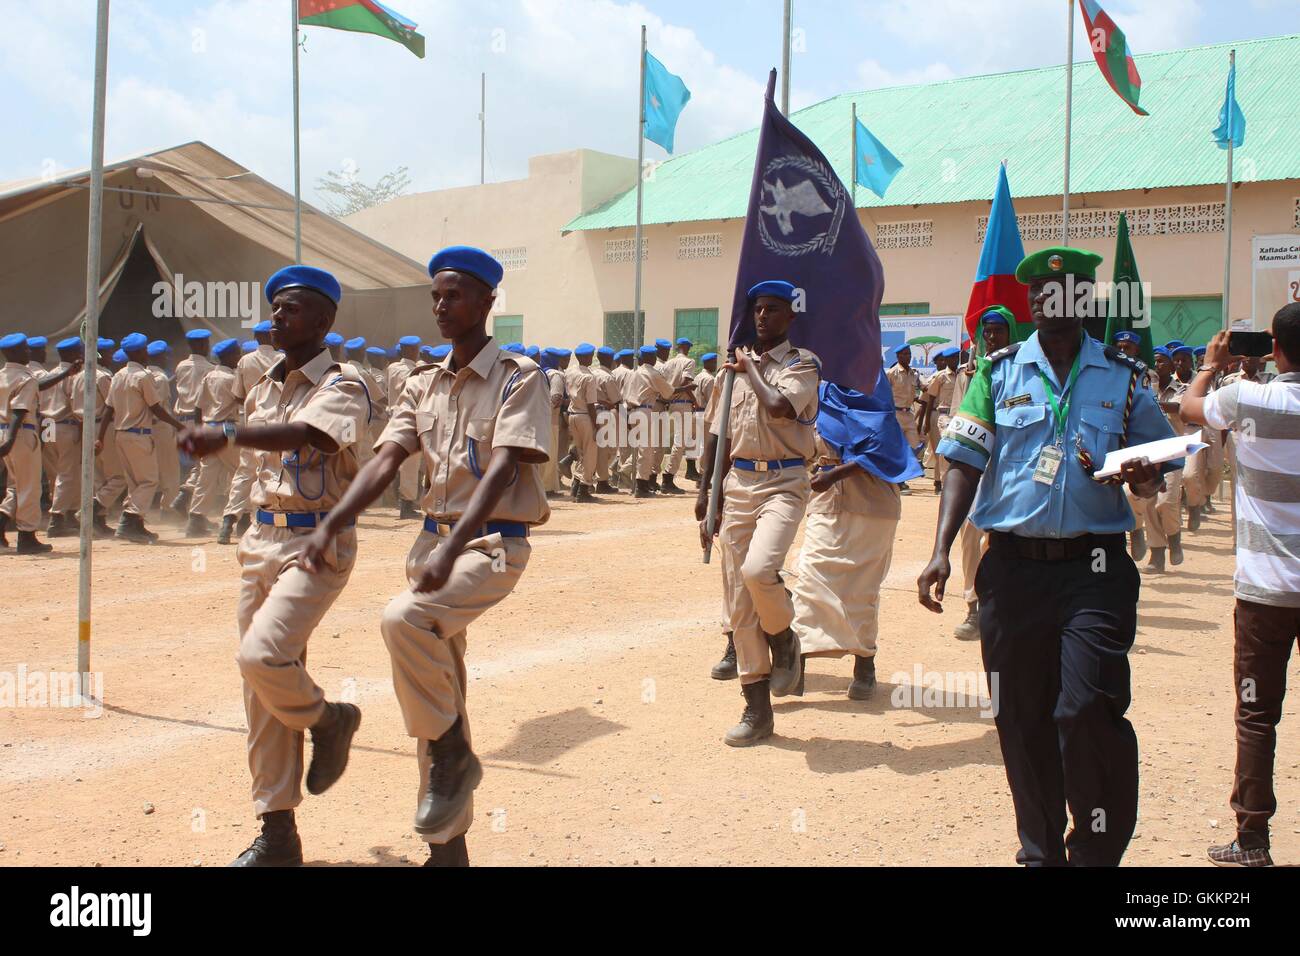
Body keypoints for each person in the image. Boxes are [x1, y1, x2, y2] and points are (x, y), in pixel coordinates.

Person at [918, 246, 1180, 867]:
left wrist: (1143, 477)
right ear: (1031, 305)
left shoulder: (1121, 377)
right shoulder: (997, 373)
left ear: (1084, 301)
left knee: (1087, 706)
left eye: (1065, 294)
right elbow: (962, 462)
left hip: (1094, 570)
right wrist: (939, 550)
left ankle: (1094, 849)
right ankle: (1040, 852)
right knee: (1020, 715)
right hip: (1011, 572)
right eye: (1040, 296)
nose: (1051, 306)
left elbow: (1155, 469)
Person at [303, 246, 551, 867]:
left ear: (488, 302)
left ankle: (452, 758)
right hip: (430, 544)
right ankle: (449, 848)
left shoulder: (520, 376)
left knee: (402, 620)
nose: (441, 307)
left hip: (492, 544)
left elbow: (502, 469)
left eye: (455, 296)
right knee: (438, 690)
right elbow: (387, 458)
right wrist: (335, 518)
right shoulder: (421, 382)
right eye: (435, 297)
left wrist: (453, 548)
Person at [179, 266, 367, 867]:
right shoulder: (263, 385)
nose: (275, 319)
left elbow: (310, 435)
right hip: (262, 541)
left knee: (262, 656)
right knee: (259, 688)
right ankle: (277, 834)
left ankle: (329, 719)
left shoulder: (344, 382)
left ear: (323, 320)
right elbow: (255, 464)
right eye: (273, 309)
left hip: (315, 543)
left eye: (289, 310)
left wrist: (228, 432)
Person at [1180, 310, 1300, 867]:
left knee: (1256, 716)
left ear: (1275, 348)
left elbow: (1187, 408)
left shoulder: (1247, 398)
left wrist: (1211, 365)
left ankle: (1252, 841)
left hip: (1264, 594)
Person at [696, 281, 820, 747]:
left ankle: (785, 635)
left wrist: (749, 369)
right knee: (739, 601)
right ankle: (756, 709)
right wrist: (706, 493)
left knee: (759, 569)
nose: (763, 317)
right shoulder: (731, 372)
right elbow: (717, 434)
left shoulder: (801, 363)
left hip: (784, 482)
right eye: (758, 310)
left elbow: (780, 406)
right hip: (738, 483)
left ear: (790, 316)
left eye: (773, 310)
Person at [789, 375, 921, 698]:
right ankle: (796, 666)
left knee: (863, 589)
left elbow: (883, 448)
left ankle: (865, 663)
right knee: (809, 577)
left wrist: (835, 474)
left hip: (872, 501)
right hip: (825, 499)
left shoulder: (874, 391)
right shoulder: (819, 392)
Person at [949, 307, 1018, 640]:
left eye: (998, 331)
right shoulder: (968, 374)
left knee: (1008, 537)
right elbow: (959, 422)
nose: (991, 337)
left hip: (1012, 471)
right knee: (970, 536)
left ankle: (1009, 604)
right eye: (986, 331)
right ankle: (973, 606)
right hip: (977, 466)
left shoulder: (1022, 372)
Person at [95, 333, 185, 543]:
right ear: (137, 352)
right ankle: (128, 521)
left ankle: (136, 524)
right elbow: (157, 409)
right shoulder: (143, 376)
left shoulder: (118, 375)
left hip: (120, 434)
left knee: (135, 482)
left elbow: (109, 408)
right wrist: (179, 426)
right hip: (139, 435)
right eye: (144, 350)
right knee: (148, 481)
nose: (147, 353)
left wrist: (100, 437)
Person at [221, 320, 280, 544]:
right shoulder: (282, 359)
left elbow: (237, 395)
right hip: (275, 424)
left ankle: (228, 521)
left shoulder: (245, 360)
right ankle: (265, 524)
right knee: (273, 471)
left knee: (245, 472)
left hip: (250, 422)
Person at [1, 333, 61, 553]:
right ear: (15, 352)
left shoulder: (3, 375)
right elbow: (19, 410)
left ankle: (1, 528)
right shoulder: (25, 378)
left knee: (15, 485)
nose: (29, 352)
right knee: (29, 487)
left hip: (4, 432)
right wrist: (10, 439)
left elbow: (39, 386)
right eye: (26, 349)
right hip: (20, 433)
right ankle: (27, 537)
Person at [1138, 347, 1188, 573]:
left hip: (1174, 453)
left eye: (1162, 361)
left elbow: (1179, 407)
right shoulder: (1142, 387)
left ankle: (1174, 537)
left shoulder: (1181, 388)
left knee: (1166, 502)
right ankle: (1157, 554)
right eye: (1155, 362)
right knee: (1148, 503)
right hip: (1149, 454)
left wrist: (1153, 404)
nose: (1158, 365)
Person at [186, 338, 242, 537]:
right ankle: (237, 518)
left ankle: (195, 520)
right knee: (242, 473)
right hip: (228, 430)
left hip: (209, 429)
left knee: (206, 477)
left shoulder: (209, 376)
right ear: (227, 357)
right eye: (237, 353)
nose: (239, 357)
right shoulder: (232, 378)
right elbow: (241, 400)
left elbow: (198, 408)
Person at [44, 338, 87, 538]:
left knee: (56, 474)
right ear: (73, 355)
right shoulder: (73, 375)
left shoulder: (50, 374)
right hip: (65, 425)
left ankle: (67, 514)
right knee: (67, 473)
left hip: (48, 426)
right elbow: (75, 404)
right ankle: (57, 518)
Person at [170, 329, 214, 515]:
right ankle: (184, 497)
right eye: (206, 343)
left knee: (198, 463)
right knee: (205, 463)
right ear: (203, 345)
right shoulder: (210, 369)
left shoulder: (181, 366)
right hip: (198, 420)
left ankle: (183, 499)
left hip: (181, 419)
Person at [146, 340, 183, 522]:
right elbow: (158, 409)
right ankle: (168, 510)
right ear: (161, 357)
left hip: (145, 429)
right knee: (169, 471)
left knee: (150, 472)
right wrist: (177, 425)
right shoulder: (159, 378)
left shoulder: (146, 374)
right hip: (160, 427)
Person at [628, 345, 673, 498]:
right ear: (652, 358)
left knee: (637, 450)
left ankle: (636, 484)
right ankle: (641, 486)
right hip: (645, 410)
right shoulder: (653, 373)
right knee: (646, 451)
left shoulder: (635, 372)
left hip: (632, 411)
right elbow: (668, 393)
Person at [388, 336, 423, 517]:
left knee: (400, 461)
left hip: (393, 416)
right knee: (411, 463)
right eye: (416, 348)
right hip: (408, 417)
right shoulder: (414, 371)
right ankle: (406, 504)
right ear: (411, 350)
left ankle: (401, 499)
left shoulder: (392, 368)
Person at [918, 347, 959, 494]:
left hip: (957, 416)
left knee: (948, 451)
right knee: (941, 450)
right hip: (941, 415)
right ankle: (942, 482)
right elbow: (929, 400)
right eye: (951, 358)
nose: (955, 360)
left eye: (956, 357)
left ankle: (940, 482)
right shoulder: (940, 376)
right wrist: (926, 422)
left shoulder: (962, 374)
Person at [660, 337, 698, 492]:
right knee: (680, 442)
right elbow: (685, 383)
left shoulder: (667, 364)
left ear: (677, 348)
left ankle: (670, 476)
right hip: (683, 403)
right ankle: (667, 478)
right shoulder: (689, 362)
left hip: (672, 403)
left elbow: (663, 385)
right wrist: (695, 399)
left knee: (680, 441)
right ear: (687, 348)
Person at [564, 343, 601, 502]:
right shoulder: (589, 377)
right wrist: (596, 424)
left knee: (580, 453)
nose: (592, 358)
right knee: (590, 454)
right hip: (586, 416)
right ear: (585, 357)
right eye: (590, 355)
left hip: (572, 415)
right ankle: (583, 490)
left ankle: (576, 486)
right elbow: (591, 404)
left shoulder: (570, 371)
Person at [886, 344, 923, 494]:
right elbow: (884, 394)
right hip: (895, 414)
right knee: (897, 448)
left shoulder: (914, 374)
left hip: (908, 414)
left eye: (909, 354)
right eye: (904, 354)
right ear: (898, 357)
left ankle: (900, 476)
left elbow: (922, 388)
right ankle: (899, 480)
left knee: (915, 447)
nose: (907, 357)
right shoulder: (892, 373)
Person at [591, 346, 621, 494]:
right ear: (610, 360)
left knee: (592, 448)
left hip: (590, 412)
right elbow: (616, 399)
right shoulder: (607, 377)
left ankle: (586, 479)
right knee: (606, 450)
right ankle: (602, 482)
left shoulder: (592, 373)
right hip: (604, 413)